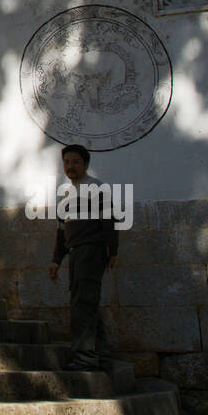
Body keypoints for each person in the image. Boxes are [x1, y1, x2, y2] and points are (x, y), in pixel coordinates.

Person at [48, 143, 118, 371]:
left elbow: (109, 221)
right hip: (76, 253)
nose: (70, 166)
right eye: (67, 162)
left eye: (75, 162)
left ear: (85, 164)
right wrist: (56, 260)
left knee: (83, 303)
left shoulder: (97, 188)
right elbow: (62, 230)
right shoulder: (65, 194)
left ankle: (85, 358)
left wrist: (112, 251)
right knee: (85, 302)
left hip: (92, 250)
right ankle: (102, 355)